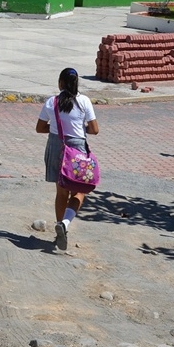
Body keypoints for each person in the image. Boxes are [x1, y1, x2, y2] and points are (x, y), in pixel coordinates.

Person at [36, 67, 99, 251]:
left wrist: (56, 130)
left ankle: (59, 231)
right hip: (77, 150)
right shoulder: (84, 101)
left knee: (61, 192)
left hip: (57, 147)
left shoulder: (51, 102)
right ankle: (64, 223)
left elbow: (40, 128)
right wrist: (79, 129)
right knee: (80, 191)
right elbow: (94, 130)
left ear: (60, 83)